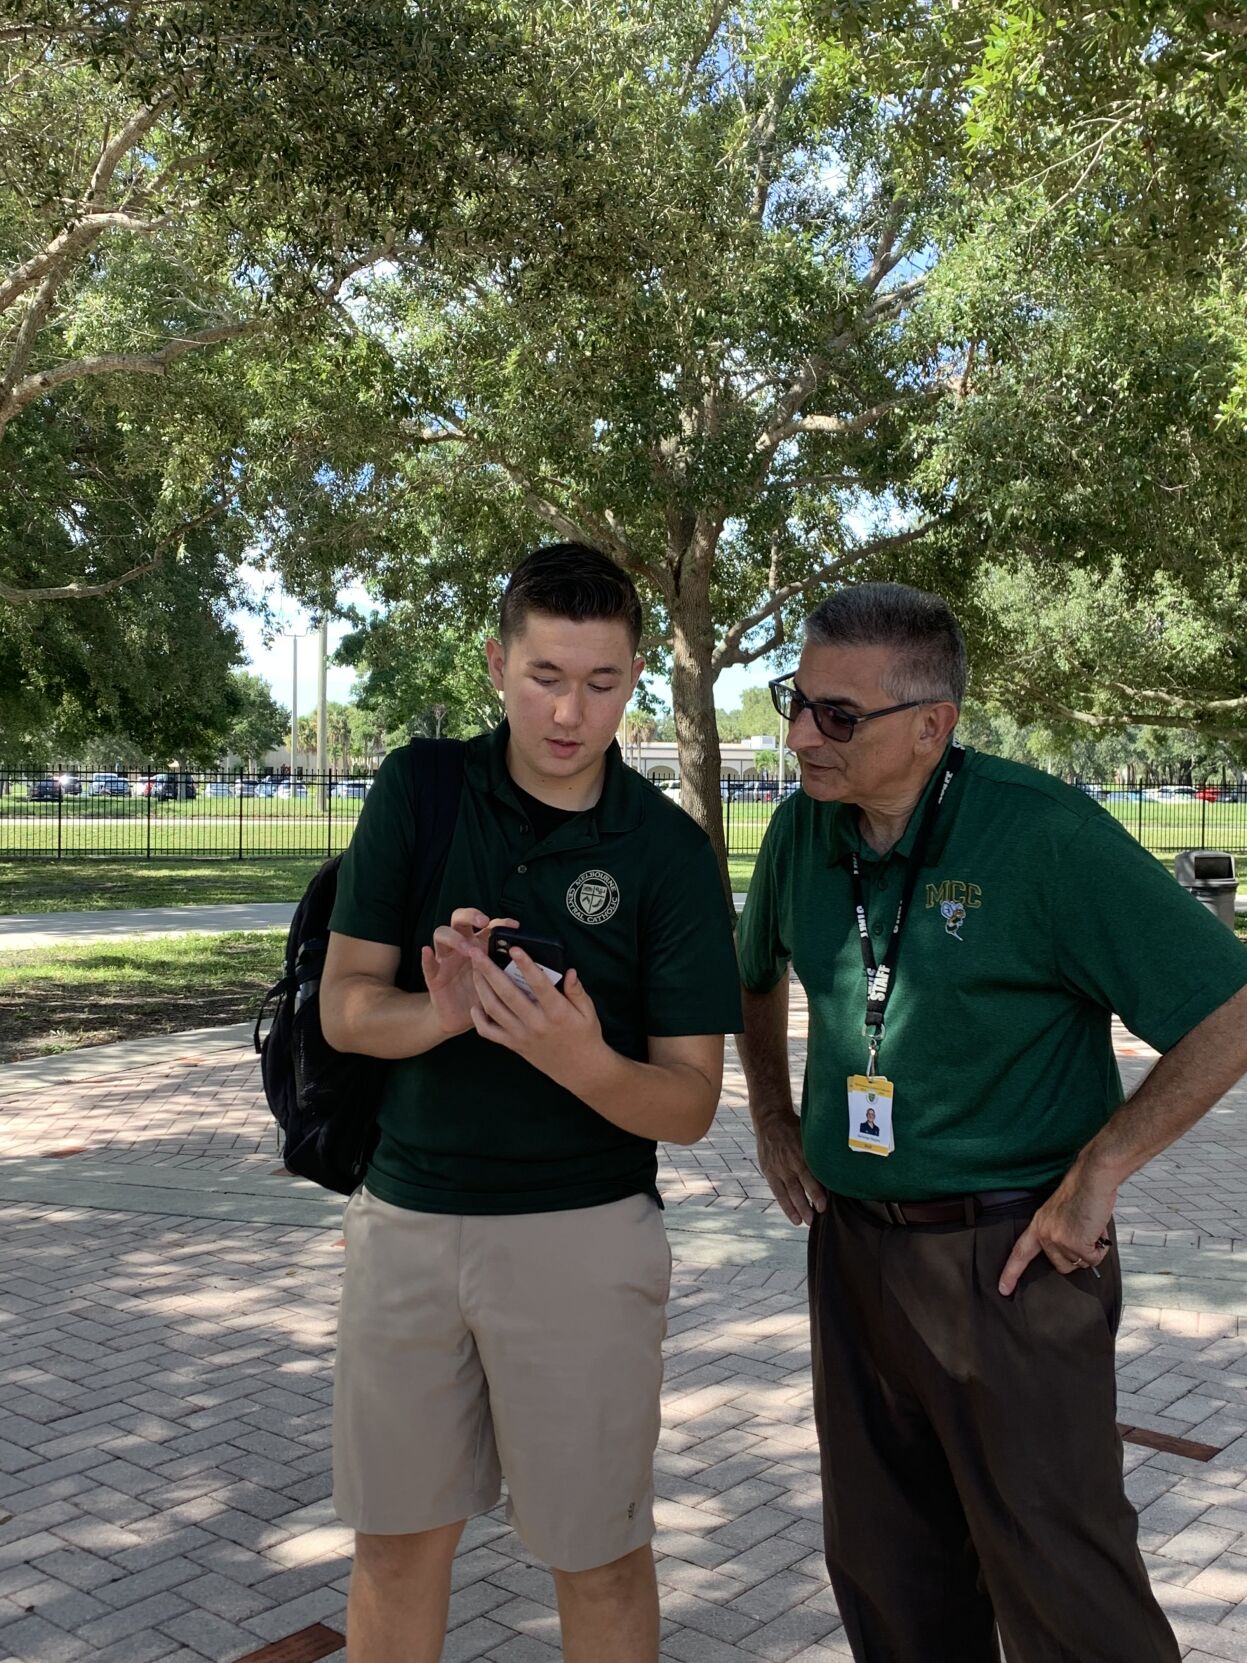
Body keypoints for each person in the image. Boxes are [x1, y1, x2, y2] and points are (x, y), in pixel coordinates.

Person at [736, 581, 1247, 1663]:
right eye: (797, 701)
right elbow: (751, 974)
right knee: (888, 1580)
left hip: (1011, 1265)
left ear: (932, 726)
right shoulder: (798, 834)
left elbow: (1229, 1009)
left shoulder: (1041, 835)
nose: (797, 737)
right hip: (854, 1258)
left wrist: (1104, 1164)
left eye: (836, 714)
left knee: (1065, 1592)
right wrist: (775, 1118)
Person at [320, 543, 742, 1663]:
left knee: (596, 1560)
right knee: (395, 1546)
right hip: (406, 1224)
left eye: (600, 683)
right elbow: (346, 1009)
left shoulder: (667, 852)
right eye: (544, 675)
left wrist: (576, 1057)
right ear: (498, 662)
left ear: (635, 676)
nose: (568, 710)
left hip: (583, 1238)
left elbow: (689, 1103)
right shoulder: (421, 788)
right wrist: (447, 1012)